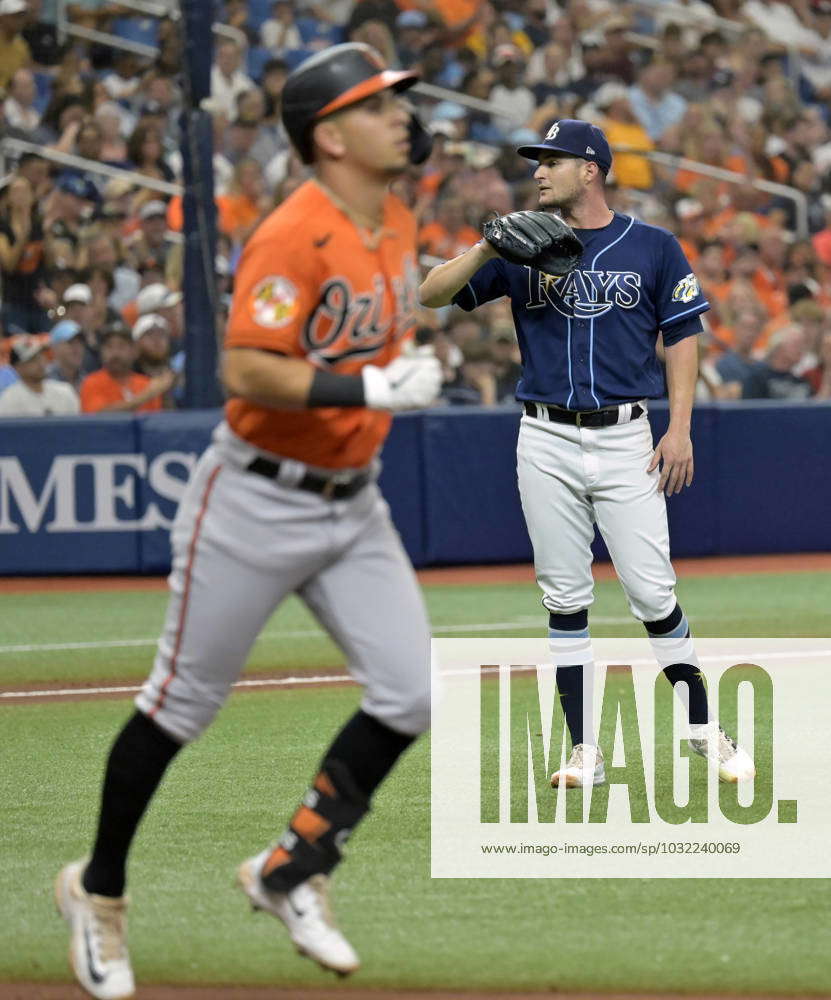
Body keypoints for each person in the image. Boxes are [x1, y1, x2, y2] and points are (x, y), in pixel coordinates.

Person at [56, 42, 441, 1000]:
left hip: (353, 502)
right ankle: (97, 893)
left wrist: (394, 373)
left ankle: (290, 870)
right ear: (329, 134)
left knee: (410, 694)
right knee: (179, 706)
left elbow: (377, 333)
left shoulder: (393, 217)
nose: (400, 113)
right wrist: (371, 382)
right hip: (256, 498)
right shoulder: (291, 232)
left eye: (398, 100)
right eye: (377, 104)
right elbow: (243, 368)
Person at [420, 118, 755, 789]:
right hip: (543, 435)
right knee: (564, 598)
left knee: (652, 590)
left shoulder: (652, 246)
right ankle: (583, 751)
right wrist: (488, 249)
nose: (539, 171)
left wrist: (679, 425)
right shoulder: (519, 246)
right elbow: (430, 294)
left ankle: (701, 728)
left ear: (591, 169)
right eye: (537, 161)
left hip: (626, 433)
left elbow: (682, 336)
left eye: (552, 160)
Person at [79, 324, 174, 413]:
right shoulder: (92, 383)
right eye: (109, 347)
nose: (115, 353)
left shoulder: (145, 383)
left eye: (121, 346)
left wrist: (165, 392)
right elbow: (100, 417)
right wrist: (146, 395)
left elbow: (158, 422)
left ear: (134, 351)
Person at [0, 334, 80, 416]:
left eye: (40, 357)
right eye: (32, 359)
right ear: (17, 367)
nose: (40, 363)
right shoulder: (9, 400)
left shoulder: (65, 392)